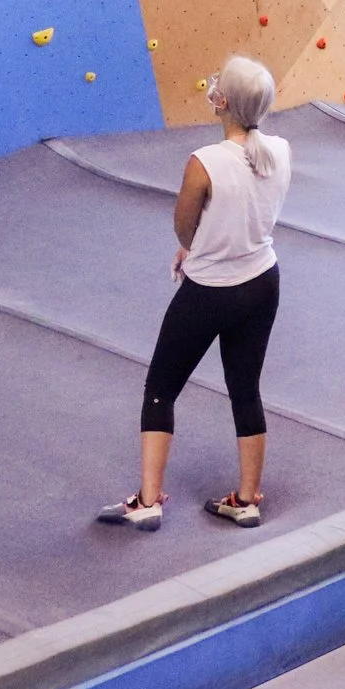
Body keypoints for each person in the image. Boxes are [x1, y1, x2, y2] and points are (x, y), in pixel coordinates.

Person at [98, 57, 292, 532]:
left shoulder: (204, 162)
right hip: (262, 282)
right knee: (245, 390)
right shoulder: (281, 150)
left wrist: (190, 250)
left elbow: (185, 226)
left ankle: (148, 500)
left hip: (210, 290)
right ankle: (246, 499)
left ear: (221, 101)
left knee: (161, 390)